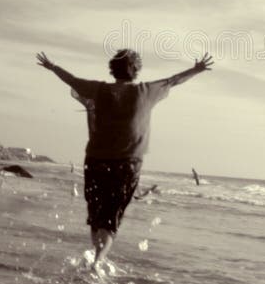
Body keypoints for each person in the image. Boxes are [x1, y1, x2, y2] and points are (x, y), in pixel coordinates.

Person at [36, 49, 213, 270]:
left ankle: (95, 257)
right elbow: (175, 80)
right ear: (137, 70)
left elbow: (71, 80)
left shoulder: (99, 90)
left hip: (96, 160)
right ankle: (98, 262)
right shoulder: (147, 91)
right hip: (127, 163)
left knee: (96, 214)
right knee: (112, 216)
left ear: (112, 69)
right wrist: (196, 69)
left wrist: (52, 67)